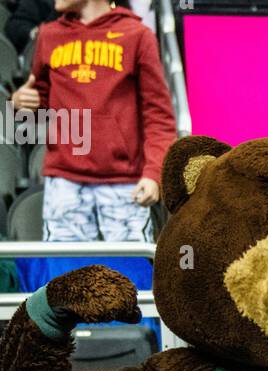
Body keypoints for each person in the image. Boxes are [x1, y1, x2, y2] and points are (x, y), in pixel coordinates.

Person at [7, 0, 175, 242]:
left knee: (124, 276)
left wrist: (153, 173)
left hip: (124, 185)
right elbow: (39, 103)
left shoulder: (137, 36)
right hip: (63, 184)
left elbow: (159, 117)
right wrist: (19, 103)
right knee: (66, 276)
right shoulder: (49, 35)